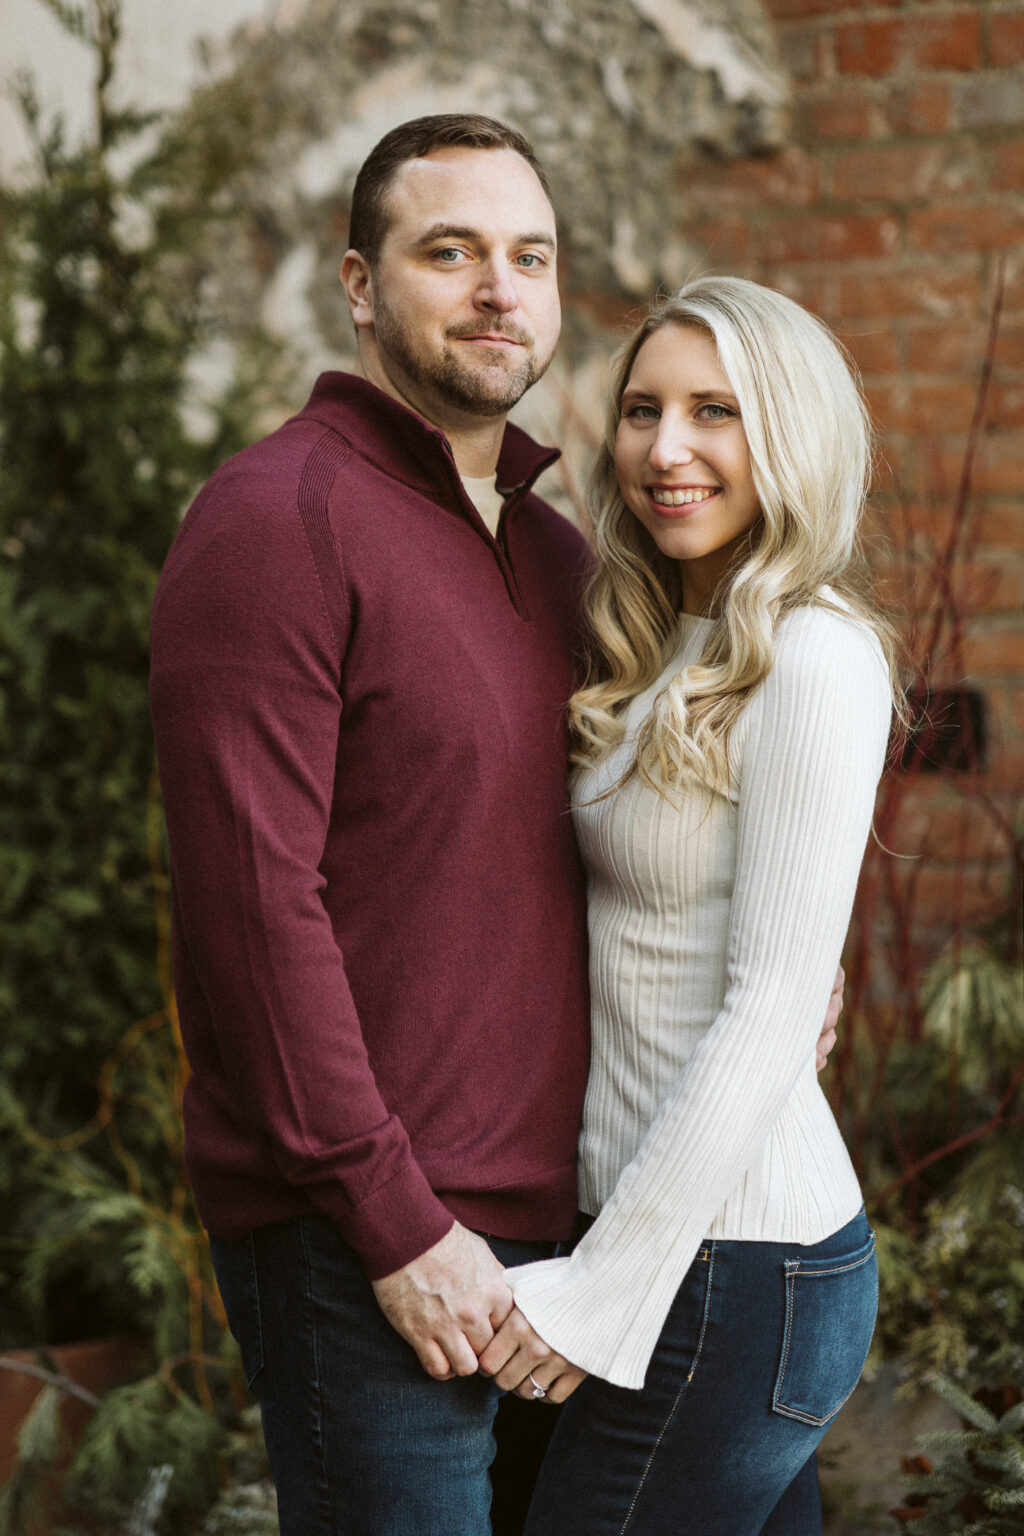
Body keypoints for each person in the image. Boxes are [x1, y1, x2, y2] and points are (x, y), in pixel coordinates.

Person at [149, 117, 842, 1536]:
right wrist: (394, 1225)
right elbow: (249, 914)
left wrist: (784, 961)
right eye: (446, 251)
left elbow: (647, 838)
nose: (496, 290)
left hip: (571, 1236)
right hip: (370, 1238)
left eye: (528, 256)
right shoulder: (279, 519)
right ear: (358, 284)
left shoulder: (561, 553)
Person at [477, 277, 900, 1536]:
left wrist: (608, 1286)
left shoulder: (816, 655)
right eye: (644, 409)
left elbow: (771, 1005)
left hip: (737, 1265)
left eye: (715, 412)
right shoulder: (669, 640)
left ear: (786, 432)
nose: (668, 450)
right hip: (672, 1239)